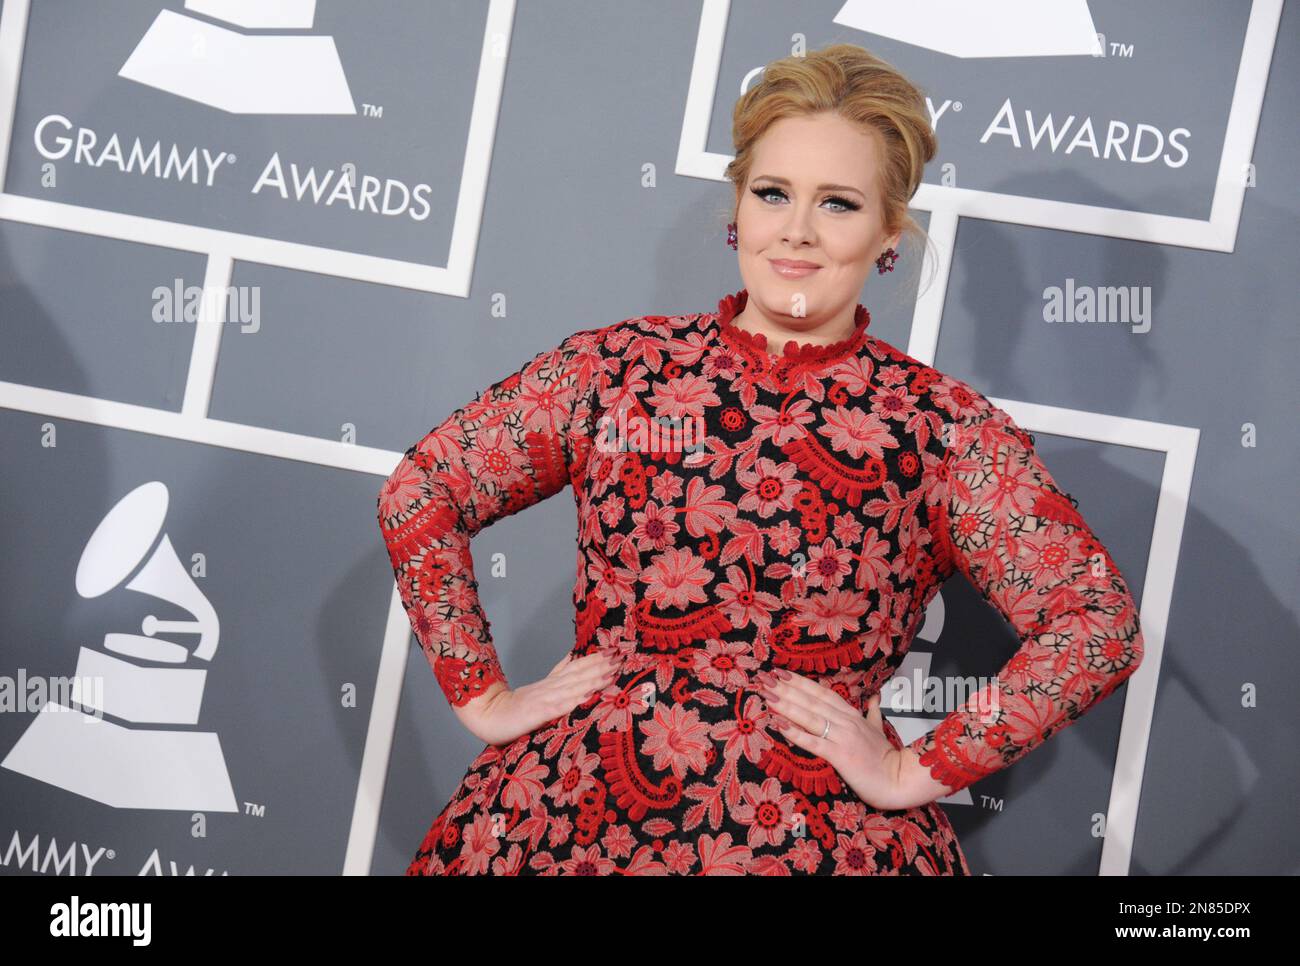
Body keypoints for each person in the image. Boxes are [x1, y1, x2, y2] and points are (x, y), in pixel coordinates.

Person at [377, 43, 1144, 876]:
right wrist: (483, 695)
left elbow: (1094, 625)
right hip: (571, 821)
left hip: (818, 842)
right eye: (773, 193)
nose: (798, 231)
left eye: (839, 204)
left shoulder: (941, 429)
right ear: (737, 207)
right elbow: (424, 489)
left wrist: (911, 768)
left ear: (889, 230)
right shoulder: (618, 371)